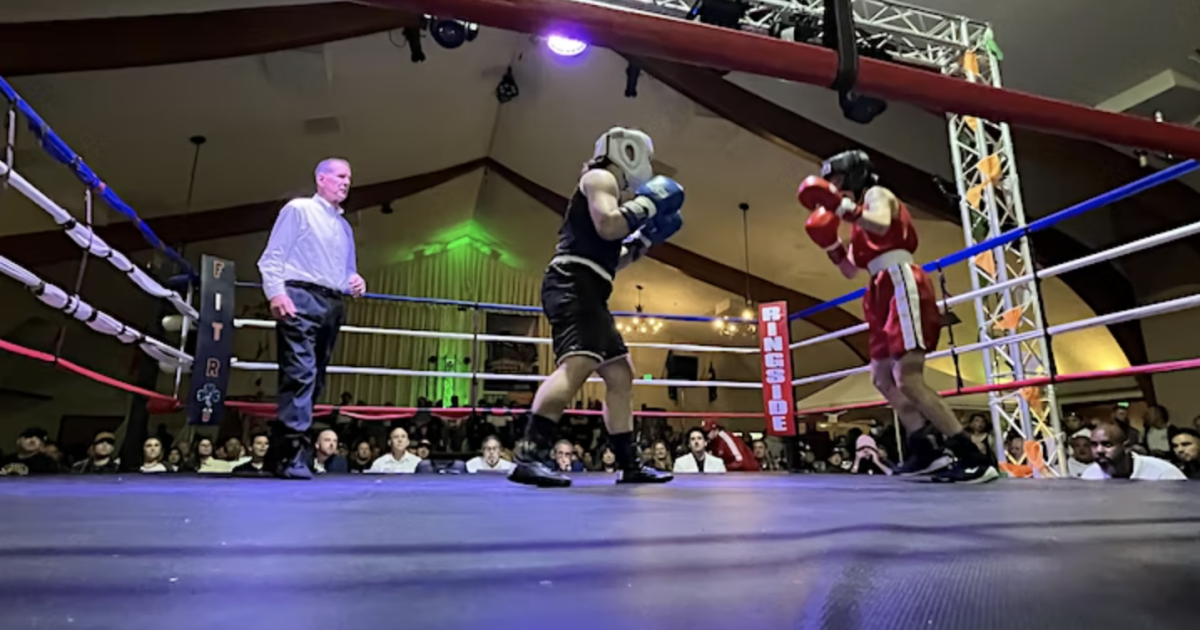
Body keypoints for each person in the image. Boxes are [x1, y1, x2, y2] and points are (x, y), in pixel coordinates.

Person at [799, 149, 997, 484]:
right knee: (881, 378)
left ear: (852, 176)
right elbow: (849, 269)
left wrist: (840, 208)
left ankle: (972, 456)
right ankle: (925, 451)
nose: (833, 190)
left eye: (835, 182)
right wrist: (829, 243)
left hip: (901, 280)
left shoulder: (877, 195)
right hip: (877, 291)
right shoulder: (854, 218)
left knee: (909, 378)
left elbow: (879, 223)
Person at [509, 127, 685, 488]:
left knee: (620, 375)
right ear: (627, 150)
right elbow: (607, 226)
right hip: (573, 282)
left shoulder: (611, 192)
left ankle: (629, 464)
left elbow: (610, 256)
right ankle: (529, 456)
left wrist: (644, 240)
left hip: (590, 285)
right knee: (578, 364)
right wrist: (648, 206)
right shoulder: (600, 176)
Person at [257, 158, 366, 479]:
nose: (346, 182)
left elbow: (345, 272)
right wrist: (276, 293)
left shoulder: (345, 227)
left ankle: (282, 455)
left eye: (350, 177)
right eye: (340, 176)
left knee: (315, 376)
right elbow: (272, 256)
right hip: (300, 296)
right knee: (300, 373)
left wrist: (356, 281)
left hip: (333, 303)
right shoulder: (299, 209)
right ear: (321, 179)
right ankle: (292, 454)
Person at [1081, 421, 1185, 480]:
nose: (1099, 451)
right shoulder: (1089, 475)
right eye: (1094, 445)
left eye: (1107, 445)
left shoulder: (1163, 473)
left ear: (1126, 447)